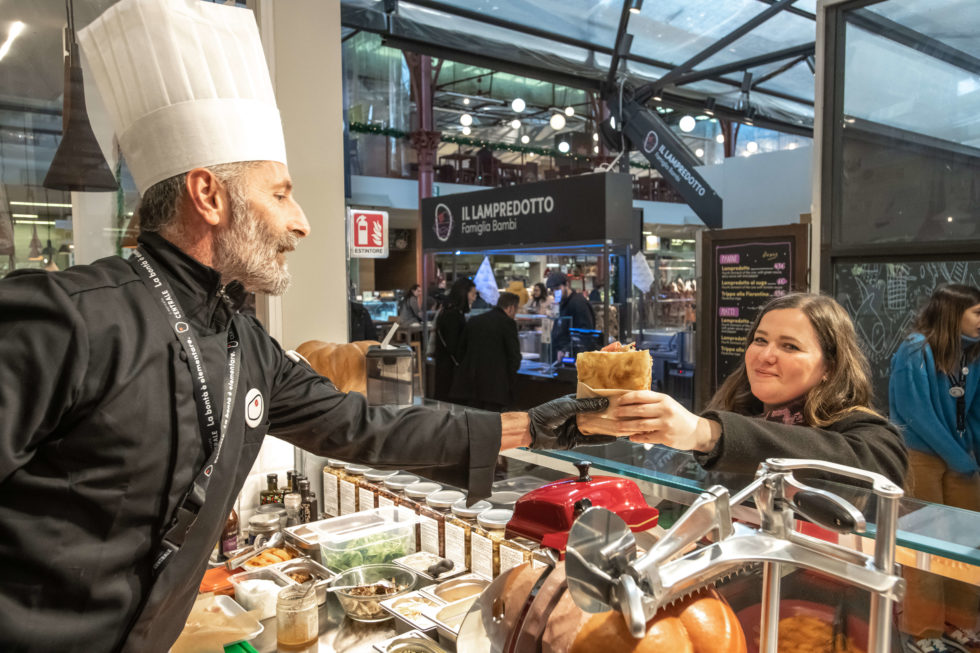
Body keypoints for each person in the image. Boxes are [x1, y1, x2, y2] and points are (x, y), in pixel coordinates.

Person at [0, 1, 616, 649]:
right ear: (208, 196)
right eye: (280, 193)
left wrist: (546, 423)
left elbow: (367, 429)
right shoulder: (69, 318)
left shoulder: (246, 348)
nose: (301, 222)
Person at [579, 293, 908, 487]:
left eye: (790, 346)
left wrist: (705, 432)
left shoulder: (868, 436)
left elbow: (869, 468)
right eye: (760, 340)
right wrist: (612, 400)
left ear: (830, 368)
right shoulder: (741, 411)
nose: (765, 356)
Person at [889, 284, 980, 652]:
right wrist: (959, 457)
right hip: (921, 455)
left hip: (959, 454)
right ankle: (923, 630)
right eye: (977, 313)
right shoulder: (915, 349)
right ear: (952, 312)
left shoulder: (972, 355)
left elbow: (973, 412)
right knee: (924, 542)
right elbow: (916, 415)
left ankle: (959, 620)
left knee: (967, 541)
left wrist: (971, 454)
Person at [451, 292, 523, 412]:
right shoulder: (508, 323)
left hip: (471, 384)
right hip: (495, 388)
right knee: (491, 425)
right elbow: (514, 356)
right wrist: (510, 378)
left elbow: (461, 350)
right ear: (511, 308)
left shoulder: (475, 320)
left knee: (473, 422)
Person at [433, 277, 476, 402]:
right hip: (450, 372)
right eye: (472, 294)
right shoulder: (453, 315)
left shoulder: (448, 311)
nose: (474, 298)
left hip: (445, 368)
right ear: (463, 293)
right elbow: (454, 346)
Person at [547, 271, 595, 358]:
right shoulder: (562, 303)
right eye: (552, 290)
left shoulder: (578, 303)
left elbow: (585, 332)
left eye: (557, 288)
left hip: (572, 357)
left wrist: (566, 350)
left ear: (567, 285)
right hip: (560, 356)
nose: (554, 293)